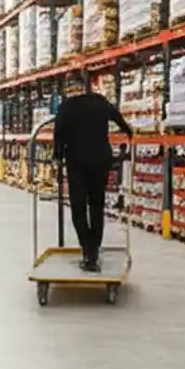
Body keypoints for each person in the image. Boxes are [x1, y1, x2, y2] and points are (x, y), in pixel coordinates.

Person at [52, 77, 133, 272]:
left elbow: (58, 137)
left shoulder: (66, 107)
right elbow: (118, 119)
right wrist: (129, 133)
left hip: (77, 163)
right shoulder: (99, 101)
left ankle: (87, 250)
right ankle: (94, 251)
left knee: (78, 207)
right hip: (100, 161)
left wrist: (58, 159)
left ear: (69, 90)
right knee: (96, 206)